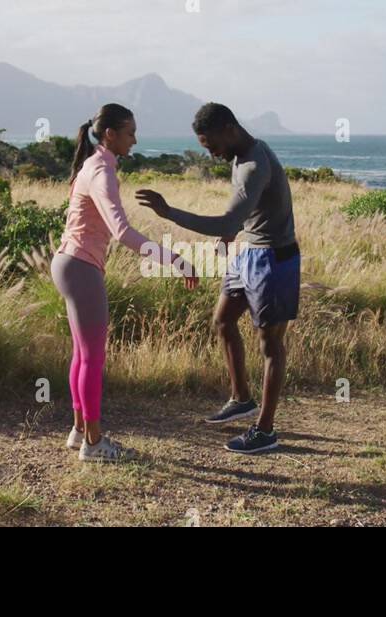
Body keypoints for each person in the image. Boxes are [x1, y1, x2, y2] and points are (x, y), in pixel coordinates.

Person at [136, 102, 299, 454]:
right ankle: (241, 397)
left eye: (212, 147)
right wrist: (230, 239)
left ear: (229, 129)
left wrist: (169, 213)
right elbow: (242, 215)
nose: (212, 155)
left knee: (270, 345)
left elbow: (228, 219)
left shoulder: (255, 164)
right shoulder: (239, 156)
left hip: (274, 258)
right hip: (248, 253)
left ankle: (265, 431)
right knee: (223, 321)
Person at [52, 103, 198, 462]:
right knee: (93, 359)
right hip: (81, 268)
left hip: (68, 264)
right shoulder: (102, 170)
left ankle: (79, 432)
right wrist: (175, 259)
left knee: (82, 356)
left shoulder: (92, 164)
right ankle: (94, 442)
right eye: (130, 133)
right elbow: (122, 233)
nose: (135, 140)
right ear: (110, 135)